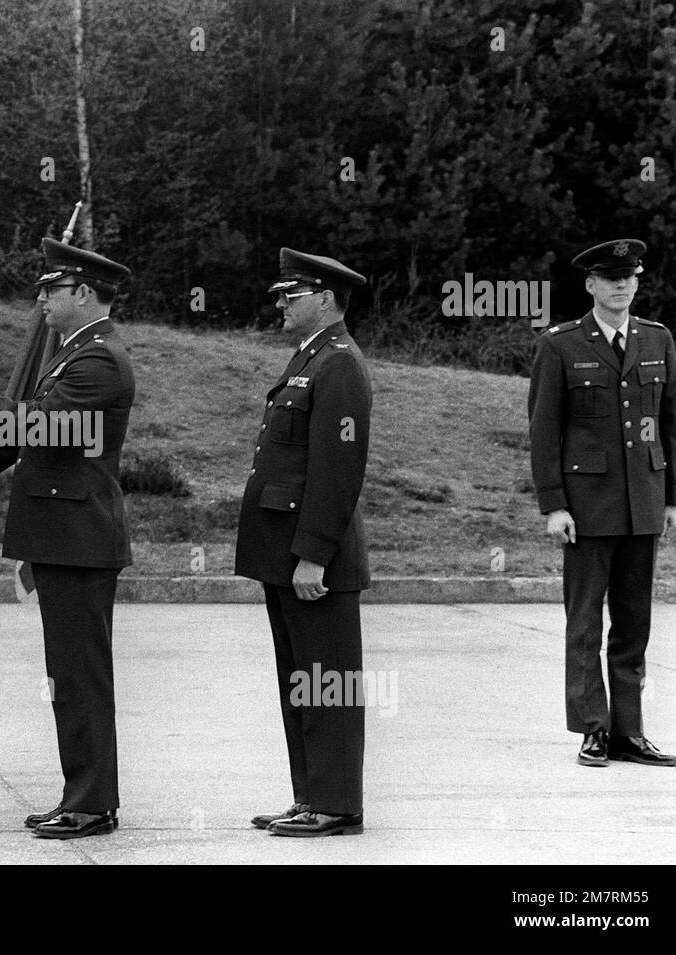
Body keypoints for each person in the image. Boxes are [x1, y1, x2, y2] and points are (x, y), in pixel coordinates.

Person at [0, 238, 134, 840]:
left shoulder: (98, 360)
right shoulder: (74, 353)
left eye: (53, 289)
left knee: (79, 675)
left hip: (78, 537)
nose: (41, 298)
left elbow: (50, 426)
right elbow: (36, 429)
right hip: (64, 536)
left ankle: (92, 803)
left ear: (85, 294)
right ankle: (85, 795)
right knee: (68, 674)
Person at [528, 238, 676, 768]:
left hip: (643, 503)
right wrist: (554, 505)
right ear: (591, 285)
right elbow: (544, 431)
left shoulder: (656, 340)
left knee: (634, 625)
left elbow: (672, 426)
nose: (621, 286)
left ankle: (629, 731)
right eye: (609, 278)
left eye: (629, 277)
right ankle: (592, 729)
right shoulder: (561, 345)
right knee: (585, 625)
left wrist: (675, 499)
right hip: (587, 507)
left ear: (637, 283)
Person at [235, 248, 372, 837]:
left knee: (328, 685)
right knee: (301, 682)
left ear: (324, 299)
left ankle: (337, 804)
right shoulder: (311, 358)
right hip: (286, 551)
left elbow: (338, 471)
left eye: (291, 296)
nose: (281, 304)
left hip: (314, 556)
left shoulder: (339, 363)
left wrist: (313, 554)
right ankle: (311, 794)